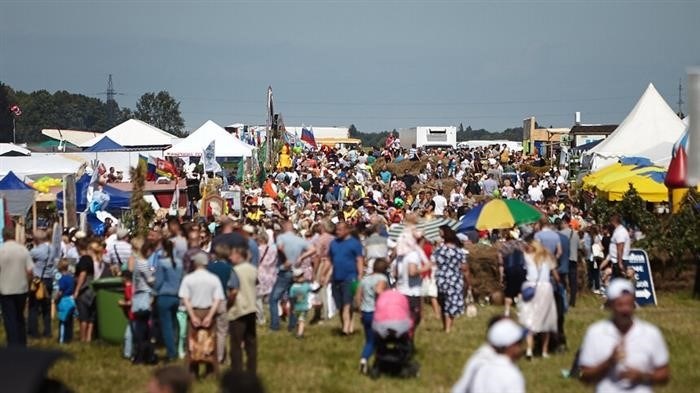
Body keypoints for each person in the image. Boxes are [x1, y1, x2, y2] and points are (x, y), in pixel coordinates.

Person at [579, 279, 670, 392]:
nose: (625, 310)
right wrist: (608, 363)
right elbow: (584, 376)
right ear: (610, 306)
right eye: (620, 305)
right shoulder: (595, 333)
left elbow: (664, 374)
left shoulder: (651, 333)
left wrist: (642, 376)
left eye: (629, 305)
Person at [451, 317, 526, 393]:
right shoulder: (510, 375)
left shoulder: (480, 364)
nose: (520, 348)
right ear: (510, 346)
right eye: (519, 343)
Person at [179, 251, 224, 376]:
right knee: (210, 343)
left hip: (195, 310)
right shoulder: (214, 279)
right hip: (209, 310)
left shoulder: (188, 279)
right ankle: (211, 371)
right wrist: (210, 316)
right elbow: (217, 299)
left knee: (192, 343)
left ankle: (192, 372)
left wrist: (192, 316)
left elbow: (185, 299)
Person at [270, 220, 316, 332]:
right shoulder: (299, 240)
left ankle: (275, 325)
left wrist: (285, 260)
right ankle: (292, 324)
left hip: (284, 270)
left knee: (274, 299)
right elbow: (313, 249)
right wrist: (301, 257)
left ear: (285, 228)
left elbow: (280, 248)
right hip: (296, 271)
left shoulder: (281, 238)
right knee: (293, 299)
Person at [519, 240, 559, 360]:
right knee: (546, 319)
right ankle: (544, 351)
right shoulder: (547, 257)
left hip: (531, 287)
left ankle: (529, 349)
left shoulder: (527, 257)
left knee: (530, 318)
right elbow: (556, 275)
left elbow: (522, 251)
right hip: (546, 288)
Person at [328, 221, 364, 335]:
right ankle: (347, 326)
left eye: (340, 230)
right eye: (336, 230)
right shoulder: (333, 243)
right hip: (336, 277)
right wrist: (326, 275)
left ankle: (346, 330)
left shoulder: (355, 244)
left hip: (350, 277)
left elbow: (359, 260)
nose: (337, 232)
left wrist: (360, 275)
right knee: (341, 306)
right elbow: (330, 260)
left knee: (347, 304)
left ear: (347, 230)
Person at [433, 225, 470, 333]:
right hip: (454, 280)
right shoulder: (458, 251)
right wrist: (468, 282)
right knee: (451, 303)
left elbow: (433, 262)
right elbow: (464, 268)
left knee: (443, 303)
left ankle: (446, 327)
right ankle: (448, 328)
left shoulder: (440, 249)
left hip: (441, 280)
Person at [0, 227, 33, 347]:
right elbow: (30, 271)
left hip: (5, 289)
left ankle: (12, 343)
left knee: (9, 318)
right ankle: (22, 342)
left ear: (3, 236)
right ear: (14, 236)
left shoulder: (1, 251)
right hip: (21, 288)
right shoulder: (23, 250)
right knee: (20, 316)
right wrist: (28, 284)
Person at [227, 242, 257, 373]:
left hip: (238, 309)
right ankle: (252, 368)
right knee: (251, 342)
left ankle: (237, 370)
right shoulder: (253, 269)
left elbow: (233, 290)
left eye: (232, 254)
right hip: (251, 308)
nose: (230, 256)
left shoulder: (235, 270)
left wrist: (228, 304)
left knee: (236, 343)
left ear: (239, 254)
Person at [354, 258, 388, 374]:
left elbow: (358, 296)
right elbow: (380, 292)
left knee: (369, 339)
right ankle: (373, 361)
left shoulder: (365, 279)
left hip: (365, 312)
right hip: (377, 312)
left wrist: (360, 310)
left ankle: (365, 359)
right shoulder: (382, 278)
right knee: (379, 340)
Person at [154, 239, 184, 362]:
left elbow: (158, 282)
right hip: (176, 296)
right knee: (174, 325)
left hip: (164, 296)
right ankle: (176, 347)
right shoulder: (179, 263)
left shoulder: (162, 263)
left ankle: (171, 353)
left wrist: (153, 291)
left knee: (166, 326)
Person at [28, 229, 53, 339]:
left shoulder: (35, 251)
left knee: (33, 307)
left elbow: (28, 263)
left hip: (38, 281)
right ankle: (47, 331)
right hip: (49, 279)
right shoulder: (52, 249)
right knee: (46, 308)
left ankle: (33, 331)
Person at [74, 240, 98, 342]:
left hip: (85, 289)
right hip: (93, 289)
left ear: (79, 248)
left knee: (83, 315)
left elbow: (83, 274)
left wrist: (77, 290)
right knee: (91, 316)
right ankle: (89, 337)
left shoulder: (83, 260)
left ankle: (83, 338)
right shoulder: (94, 260)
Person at [55, 260, 76, 344]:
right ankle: (69, 337)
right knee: (70, 320)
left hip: (64, 300)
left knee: (63, 320)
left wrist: (56, 299)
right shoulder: (71, 278)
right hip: (71, 299)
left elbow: (60, 292)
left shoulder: (62, 279)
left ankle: (62, 339)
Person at [288, 268, 311, 339]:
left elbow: (291, 298)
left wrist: (291, 308)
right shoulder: (306, 285)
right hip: (303, 307)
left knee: (299, 320)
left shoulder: (292, 288)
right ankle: (300, 334)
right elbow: (314, 290)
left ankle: (298, 331)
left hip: (296, 308)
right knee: (301, 321)